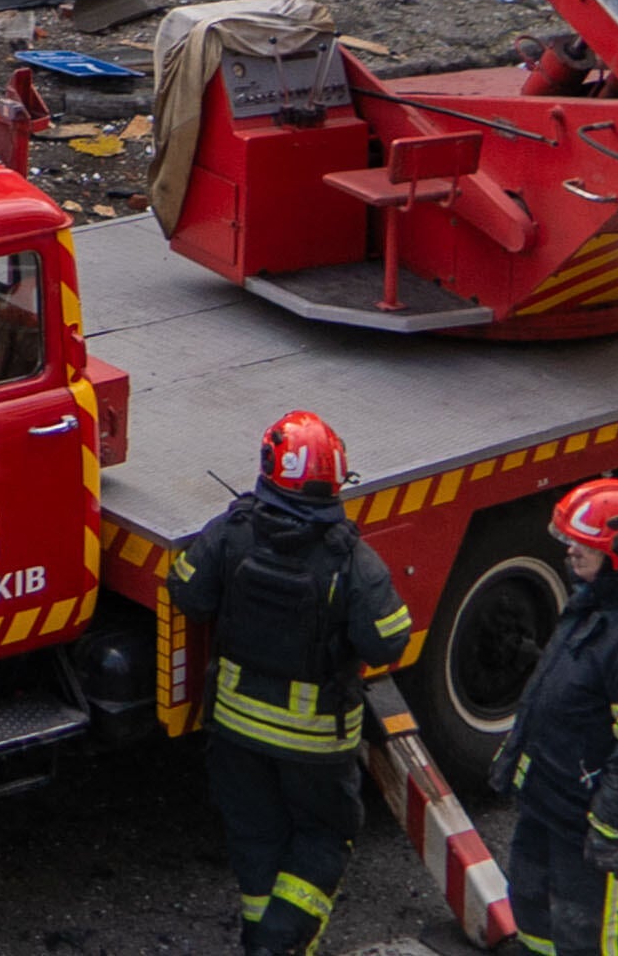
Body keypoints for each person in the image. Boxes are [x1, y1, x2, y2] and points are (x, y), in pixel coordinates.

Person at [162, 409, 421, 956]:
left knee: (256, 836)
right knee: (324, 837)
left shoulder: (233, 530)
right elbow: (388, 640)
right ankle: (276, 946)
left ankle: (263, 938)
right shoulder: (351, 558)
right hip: (315, 741)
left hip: (235, 728)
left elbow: (187, 591)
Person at [499, 478, 618, 956]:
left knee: (592, 936)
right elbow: (552, 692)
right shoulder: (600, 599)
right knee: (534, 906)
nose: (570, 553)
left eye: (582, 546)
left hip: (596, 825)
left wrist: (609, 831)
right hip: (557, 802)